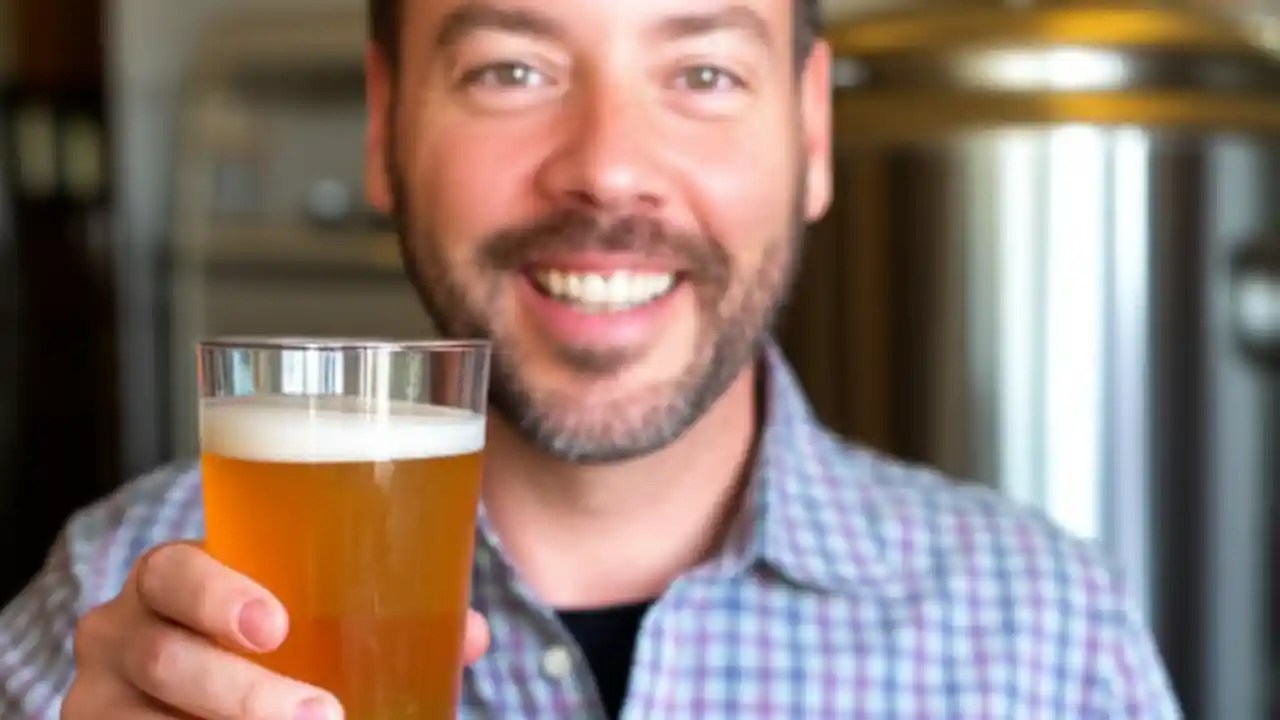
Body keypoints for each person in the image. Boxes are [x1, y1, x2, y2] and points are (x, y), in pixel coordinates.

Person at [0, 0, 1181, 718]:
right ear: (383, 126)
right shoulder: (114, 594)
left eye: (702, 73)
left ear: (810, 133)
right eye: (511, 69)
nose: (608, 166)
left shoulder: (1049, 628)